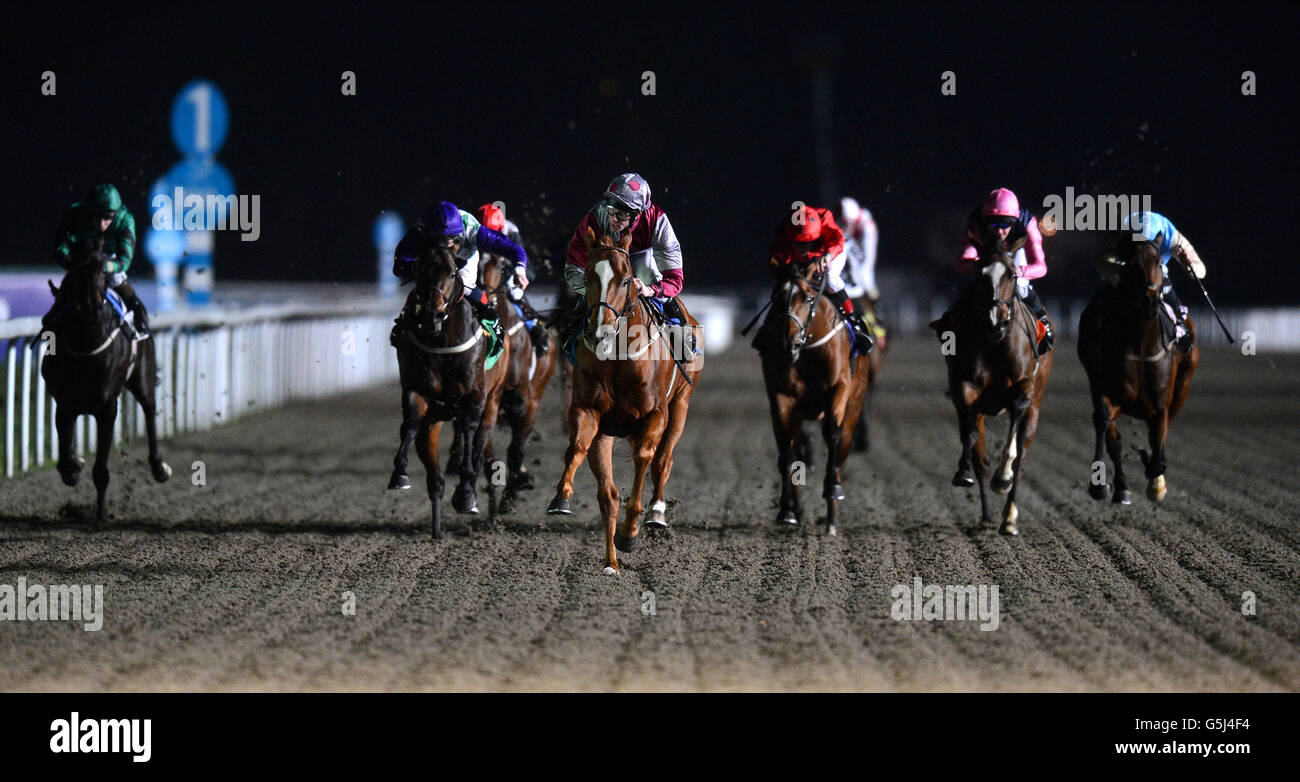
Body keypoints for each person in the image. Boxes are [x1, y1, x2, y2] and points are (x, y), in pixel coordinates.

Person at [559, 173, 697, 354]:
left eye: (622, 213)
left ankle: (681, 336)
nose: (613, 219)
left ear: (638, 213)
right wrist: (600, 291)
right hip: (607, 275)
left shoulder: (657, 221)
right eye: (611, 209)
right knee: (569, 334)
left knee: (648, 270)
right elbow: (572, 268)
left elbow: (675, 279)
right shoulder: (596, 216)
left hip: (644, 271)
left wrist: (651, 290)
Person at [391, 200, 528, 356]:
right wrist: (418, 267)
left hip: (464, 260)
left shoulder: (473, 231)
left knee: (467, 287)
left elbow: (514, 249)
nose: (446, 245)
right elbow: (399, 267)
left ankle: (491, 318)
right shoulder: (420, 232)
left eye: (451, 239)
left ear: (459, 233)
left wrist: (519, 270)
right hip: (433, 263)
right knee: (427, 286)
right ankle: (402, 323)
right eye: (438, 240)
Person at [755, 203, 875, 354]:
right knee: (786, 285)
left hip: (830, 250)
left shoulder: (825, 219)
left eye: (807, 243)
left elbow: (838, 243)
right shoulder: (783, 230)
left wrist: (828, 256)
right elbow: (774, 259)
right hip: (800, 256)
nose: (804, 249)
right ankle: (768, 326)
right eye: (799, 244)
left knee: (831, 277)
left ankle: (855, 322)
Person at [953, 187, 1054, 355]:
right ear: (985, 221)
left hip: (1016, 254)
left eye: (1005, 224)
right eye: (994, 224)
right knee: (976, 288)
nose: (999, 230)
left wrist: (1017, 271)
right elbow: (961, 263)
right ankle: (951, 327)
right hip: (988, 255)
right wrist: (985, 267)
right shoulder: (976, 222)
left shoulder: (1027, 223)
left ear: (1014, 221)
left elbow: (1041, 267)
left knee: (1021, 287)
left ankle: (1042, 322)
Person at [47, 184, 148, 338]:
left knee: (118, 281)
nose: (101, 224)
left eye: (107, 217)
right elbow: (60, 249)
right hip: (81, 260)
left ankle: (138, 317)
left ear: (115, 214)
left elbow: (124, 261)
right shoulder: (73, 214)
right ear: (88, 211)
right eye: (96, 216)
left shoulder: (125, 220)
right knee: (52, 317)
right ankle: (50, 352)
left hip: (109, 262)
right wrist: (75, 264)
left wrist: (104, 266)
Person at [1108, 211, 1207, 352]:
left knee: (1163, 283)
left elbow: (1201, 270)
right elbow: (1103, 262)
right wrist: (1122, 265)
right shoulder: (1123, 233)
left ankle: (1179, 327)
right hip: (1132, 268)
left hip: (1157, 271)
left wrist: (1189, 265)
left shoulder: (1172, 237)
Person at [474, 203, 550, 356]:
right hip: (488, 265)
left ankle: (534, 327)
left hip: (510, 266)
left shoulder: (511, 231)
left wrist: (511, 267)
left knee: (513, 289)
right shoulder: (473, 229)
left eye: (493, 233)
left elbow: (517, 254)